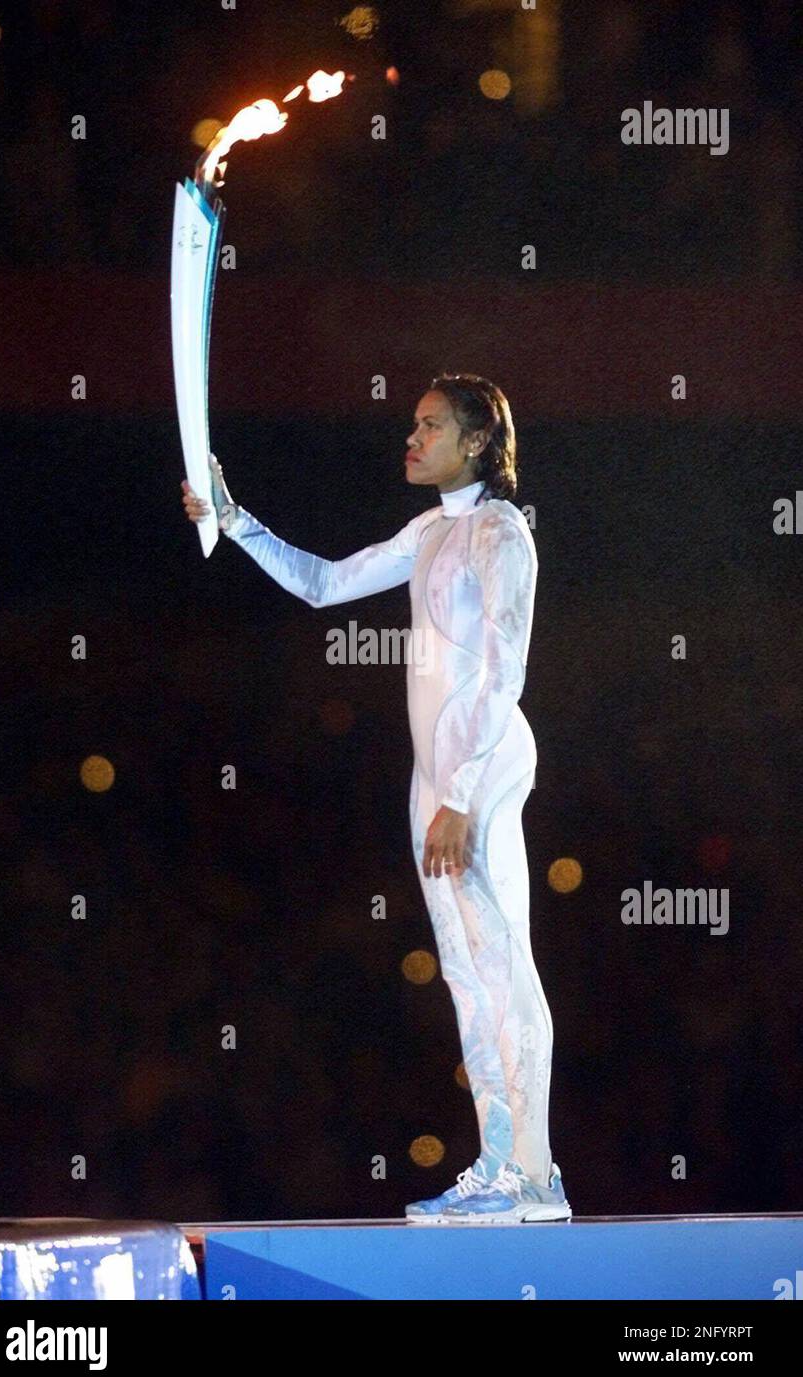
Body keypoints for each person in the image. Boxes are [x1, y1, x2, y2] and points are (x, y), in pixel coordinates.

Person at [181, 372, 570, 1224]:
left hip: (481, 768)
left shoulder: (501, 533)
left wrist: (462, 796)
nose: (412, 436)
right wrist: (233, 518)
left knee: (504, 967)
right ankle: (501, 1167)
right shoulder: (429, 529)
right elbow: (323, 585)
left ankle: (535, 1179)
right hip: (433, 779)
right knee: (467, 977)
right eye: (413, 423)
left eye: (430, 426)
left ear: (475, 442)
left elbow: (504, 669)